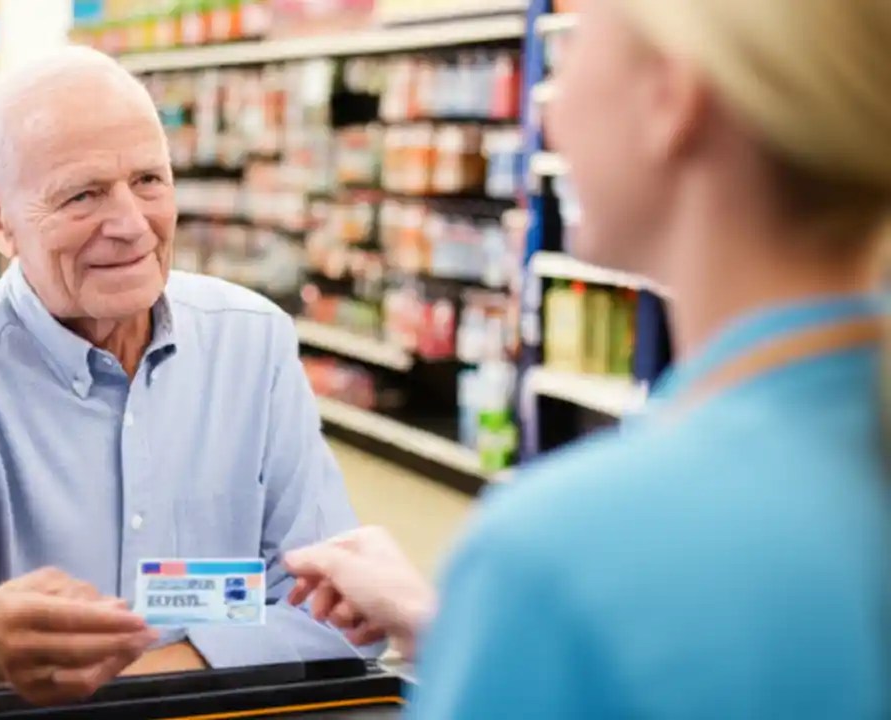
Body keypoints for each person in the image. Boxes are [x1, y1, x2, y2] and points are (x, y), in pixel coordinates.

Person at [287, 0, 891, 717]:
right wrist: (455, 625)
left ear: (673, 97)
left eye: (570, 63)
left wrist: (521, 620)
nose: (550, 115)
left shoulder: (566, 550)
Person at [0, 47, 369, 715]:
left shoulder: (253, 342)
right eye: (83, 195)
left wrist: (135, 682)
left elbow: (337, 607)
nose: (132, 226)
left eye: (150, 181)